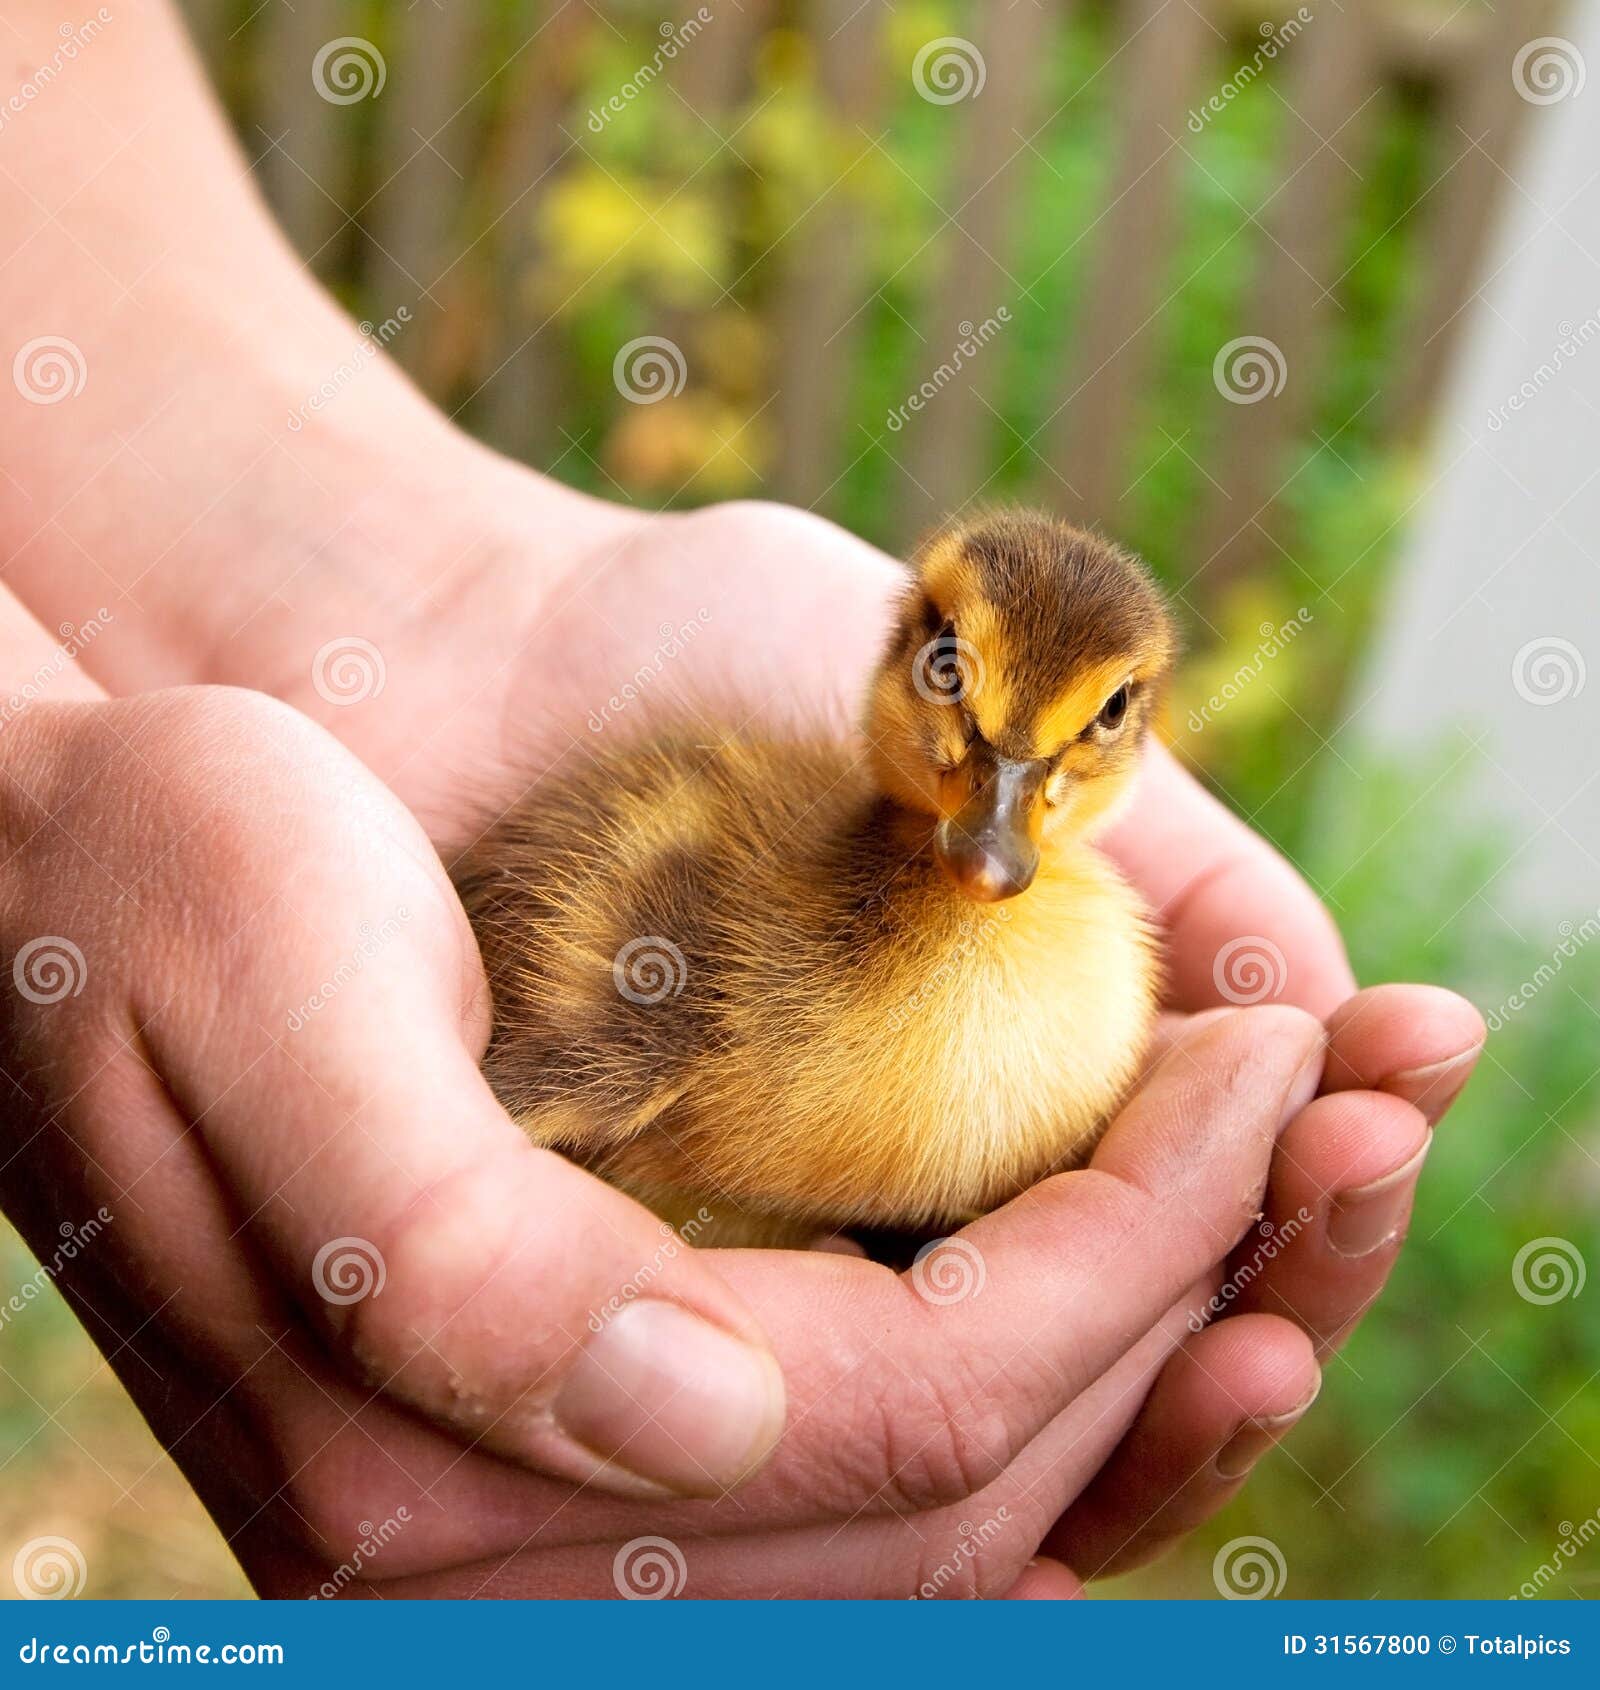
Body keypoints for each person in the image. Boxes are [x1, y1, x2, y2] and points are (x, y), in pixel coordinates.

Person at [0, 2, 1483, 1598]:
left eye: (1071, 740)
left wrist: (382, 574)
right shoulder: (699, 937)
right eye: (960, 699)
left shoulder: (1078, 957)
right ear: (904, 647)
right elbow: (555, 1040)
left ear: (1138, 726)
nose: (996, 818)